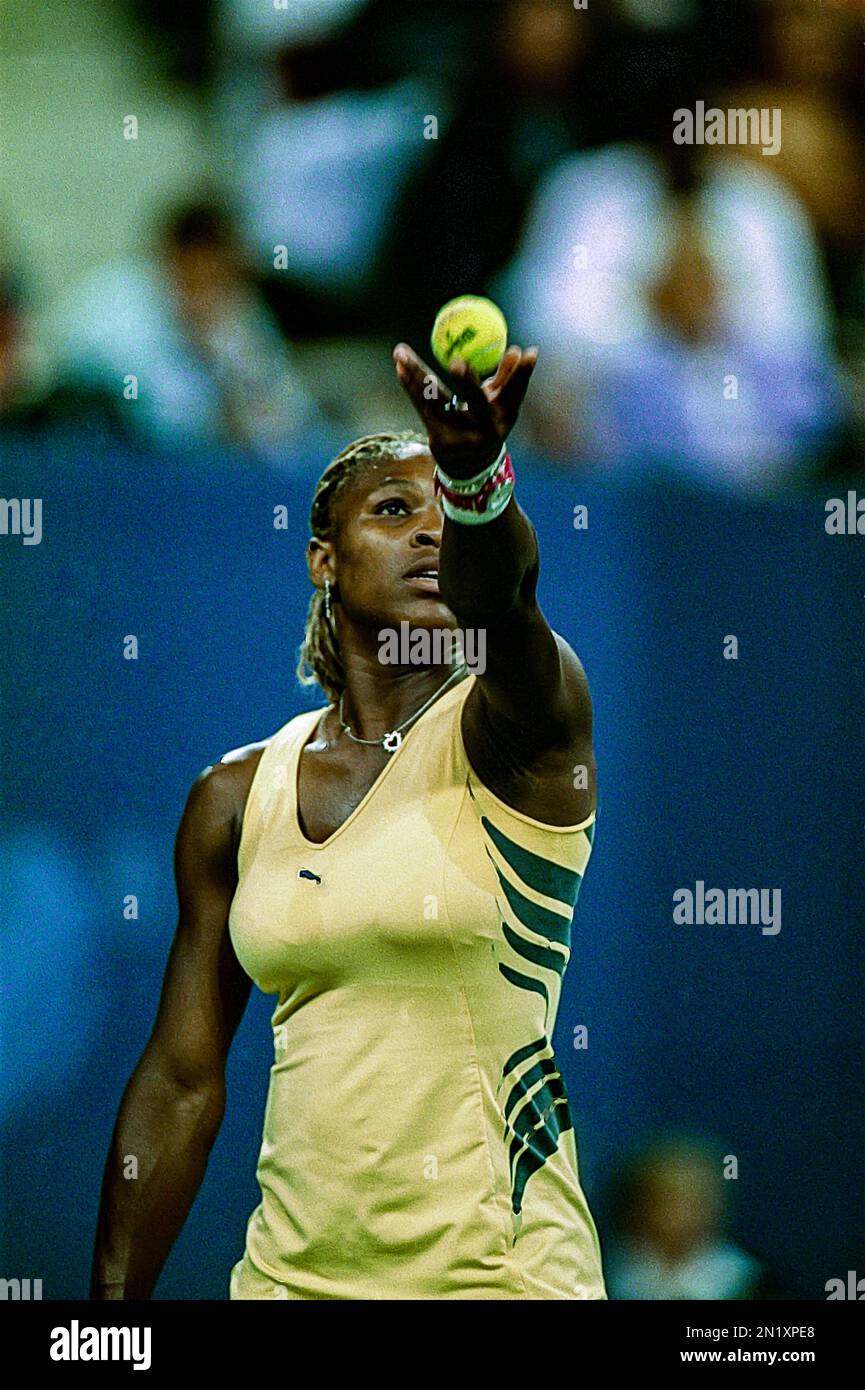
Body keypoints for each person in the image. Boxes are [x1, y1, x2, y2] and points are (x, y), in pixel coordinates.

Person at [90, 340, 607, 1300]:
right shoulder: (235, 796)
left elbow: (505, 599)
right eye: (394, 510)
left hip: (500, 1284)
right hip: (285, 1286)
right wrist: (109, 1320)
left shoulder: (525, 730)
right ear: (323, 560)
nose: (430, 534)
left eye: (444, 513)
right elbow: (182, 1082)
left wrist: (475, 479)